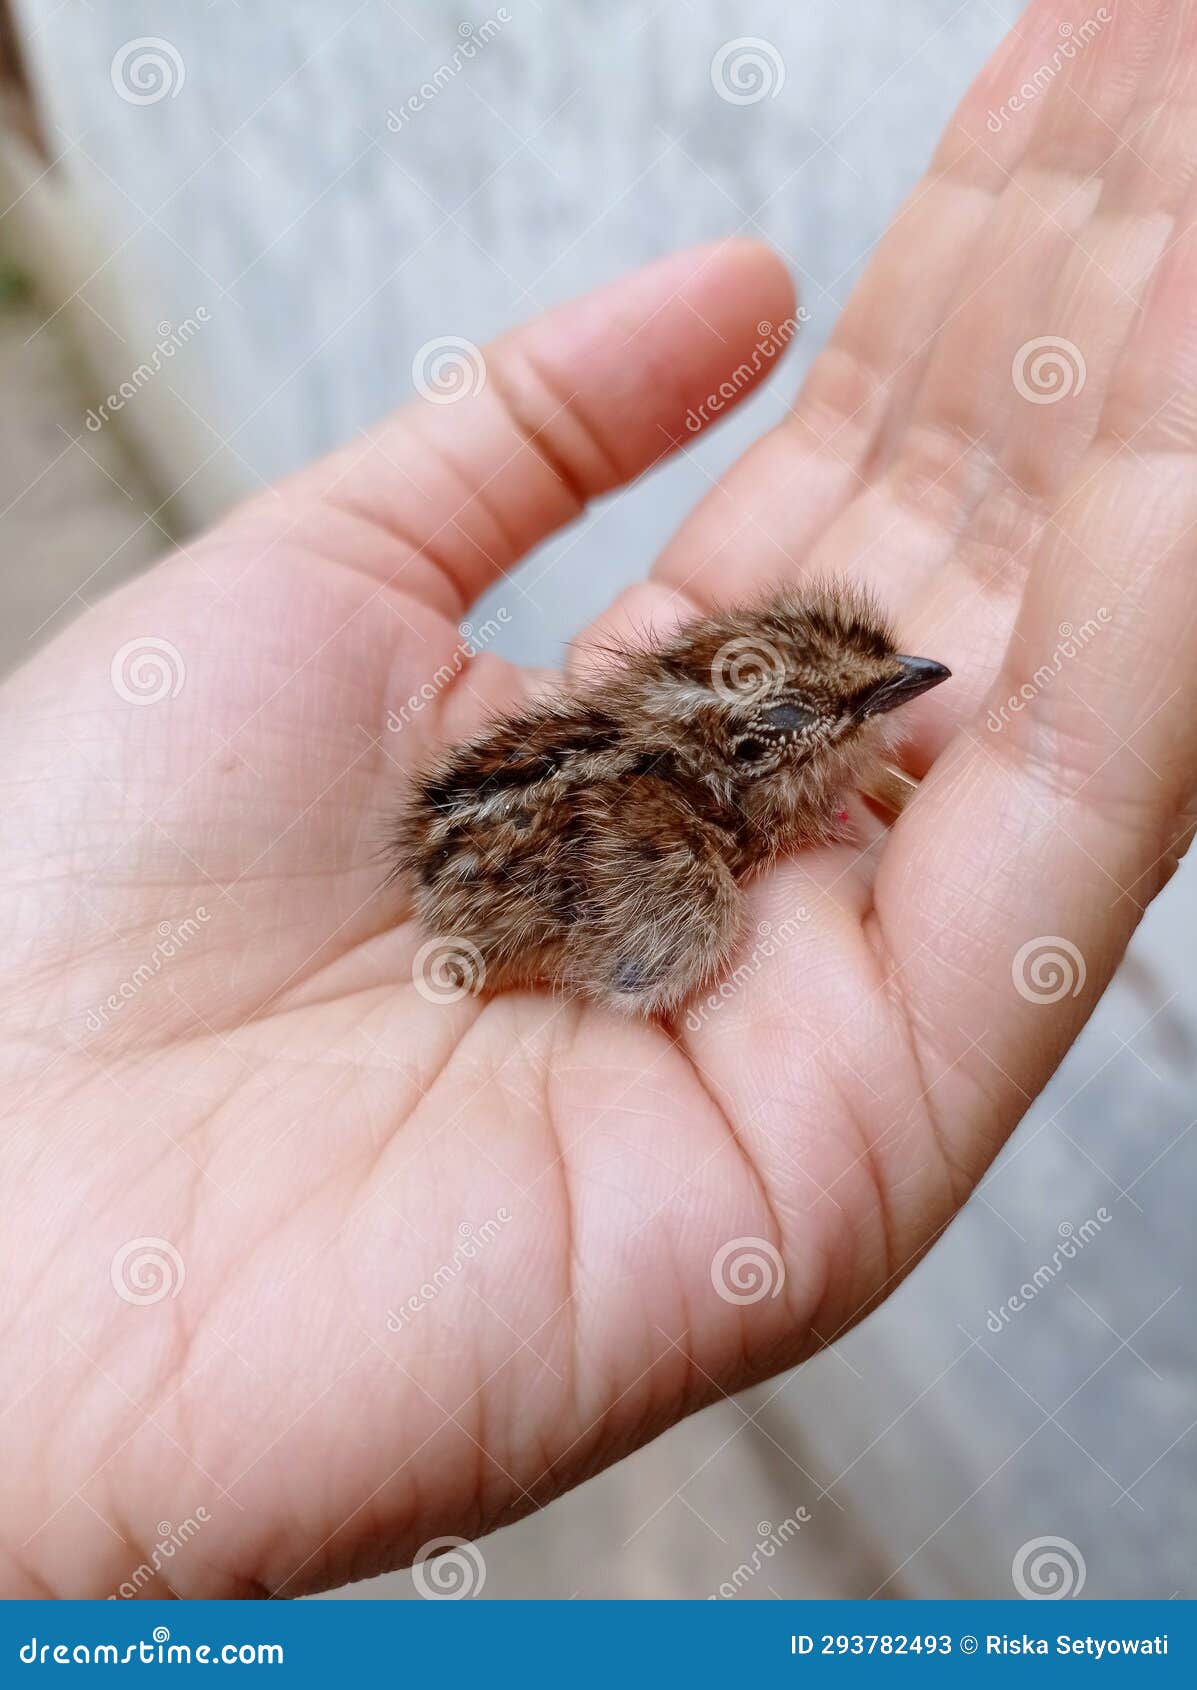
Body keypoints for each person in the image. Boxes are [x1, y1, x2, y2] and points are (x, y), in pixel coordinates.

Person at [2, 0, 1194, 1597]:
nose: (888, 707)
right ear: (749, 766)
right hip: (552, 869)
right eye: (830, 718)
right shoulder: (675, 843)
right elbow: (644, 925)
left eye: (874, 687)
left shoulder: (692, 766)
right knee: (689, 920)